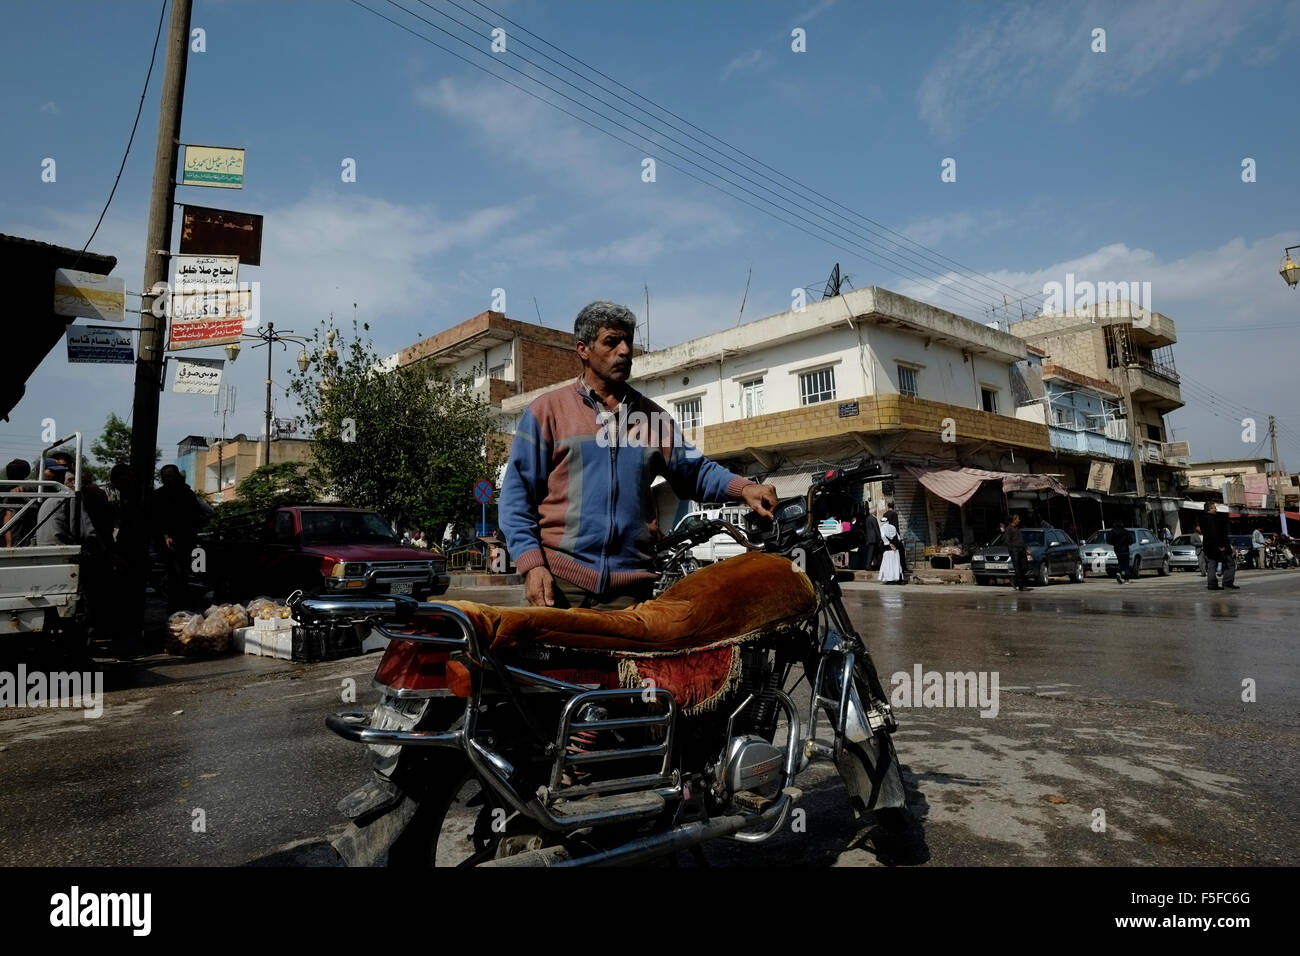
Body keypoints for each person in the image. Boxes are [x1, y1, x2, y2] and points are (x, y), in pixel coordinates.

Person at [500, 300, 777, 609]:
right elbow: (516, 498)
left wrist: (745, 488)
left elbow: (694, 472)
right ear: (583, 350)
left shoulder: (652, 418)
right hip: (562, 585)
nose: (625, 350)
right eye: (612, 342)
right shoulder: (546, 412)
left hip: (630, 591)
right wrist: (531, 564)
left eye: (628, 341)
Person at [151, 464, 206, 612]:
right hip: (167, 542)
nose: (167, 479)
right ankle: (175, 606)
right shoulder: (159, 495)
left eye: (170, 475)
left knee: (182, 574)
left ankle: (180, 605)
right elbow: (156, 520)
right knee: (174, 574)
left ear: (176, 476)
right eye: (164, 476)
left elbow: (197, 515)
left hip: (185, 540)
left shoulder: (186, 494)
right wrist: (165, 535)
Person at [34, 460, 78, 546]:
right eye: (52, 471)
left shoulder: (57, 492)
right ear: (40, 472)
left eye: (60, 472)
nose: (57, 475)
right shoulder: (30, 489)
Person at [2, 458, 38, 547]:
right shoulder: (18, 491)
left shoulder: (6, 488)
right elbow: (8, 518)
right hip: (14, 541)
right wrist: (9, 544)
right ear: (27, 473)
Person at [1201, 502, 1234, 591]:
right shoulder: (1213, 519)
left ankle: (1212, 584)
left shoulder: (1202, 519)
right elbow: (1215, 533)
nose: (1216, 509)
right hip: (1218, 546)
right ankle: (1227, 583)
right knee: (1229, 563)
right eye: (1214, 508)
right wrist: (1221, 545)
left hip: (1209, 547)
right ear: (1209, 509)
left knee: (1211, 565)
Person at [883, 500, 909, 577]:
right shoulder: (894, 514)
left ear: (888, 506)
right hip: (893, 536)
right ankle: (902, 567)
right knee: (900, 551)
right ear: (893, 507)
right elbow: (895, 526)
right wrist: (898, 537)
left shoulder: (885, 514)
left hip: (887, 537)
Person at [1005, 513, 1029, 591]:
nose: (1019, 520)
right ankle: (1021, 586)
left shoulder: (1018, 528)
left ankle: (1013, 579)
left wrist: (1026, 548)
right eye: (1018, 519)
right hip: (1015, 551)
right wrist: (1012, 550)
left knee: (1025, 567)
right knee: (1018, 569)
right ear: (1014, 520)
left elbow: (1021, 540)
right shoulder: (1009, 529)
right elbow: (1008, 542)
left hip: (1021, 550)